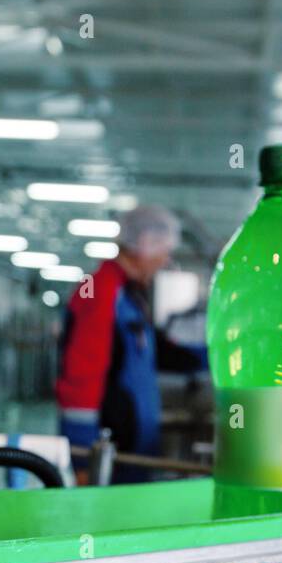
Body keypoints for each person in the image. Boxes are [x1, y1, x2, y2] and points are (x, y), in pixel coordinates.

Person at [56, 204, 206, 481]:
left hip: (133, 443)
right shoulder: (100, 290)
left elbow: (154, 352)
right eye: (164, 252)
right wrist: (81, 455)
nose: (165, 261)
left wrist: (211, 357)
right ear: (144, 245)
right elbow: (81, 372)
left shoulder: (131, 295)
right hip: (108, 449)